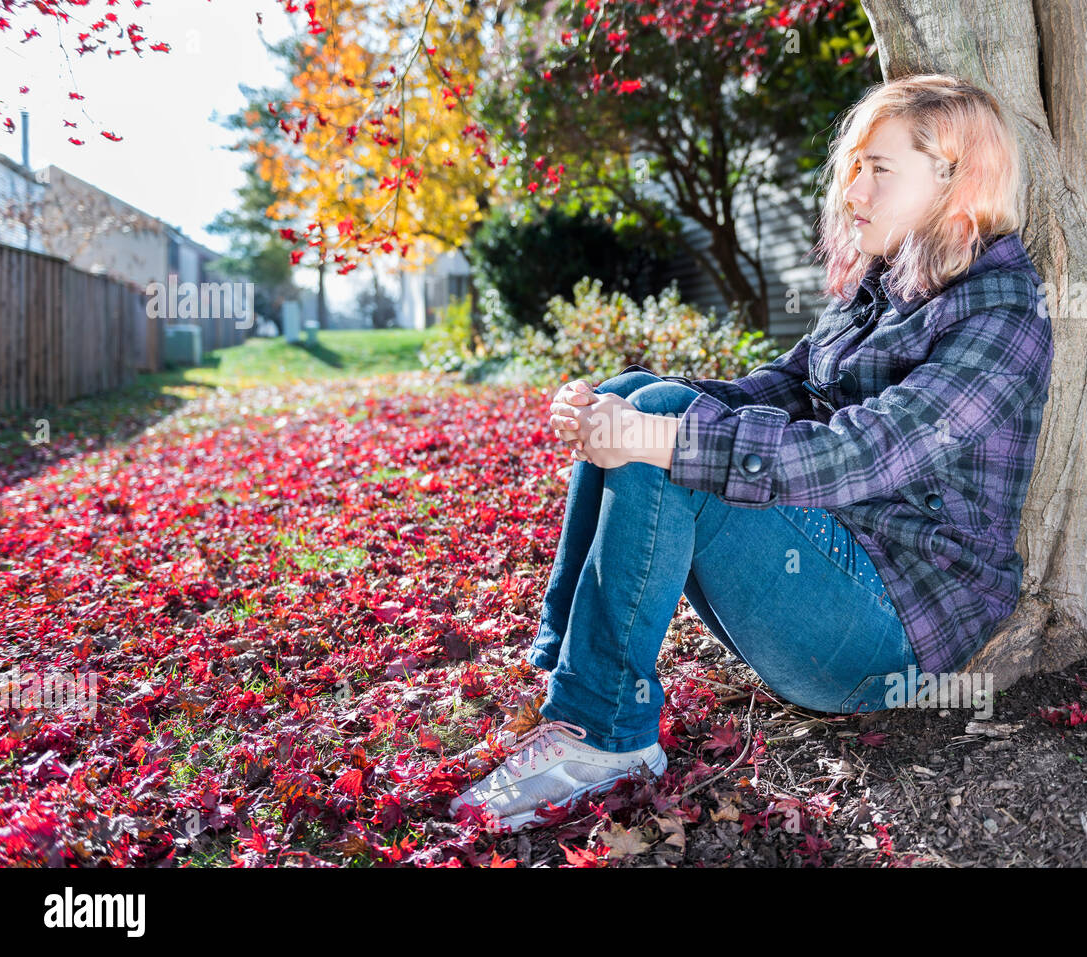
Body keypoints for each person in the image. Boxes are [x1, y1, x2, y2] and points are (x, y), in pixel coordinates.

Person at [448, 74, 1054, 832]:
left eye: (879, 168)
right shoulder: (881, 285)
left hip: (890, 632)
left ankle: (605, 737)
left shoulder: (1001, 314)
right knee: (639, 390)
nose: (852, 188)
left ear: (951, 177)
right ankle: (569, 683)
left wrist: (657, 429)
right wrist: (623, 404)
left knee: (665, 422)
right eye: (853, 166)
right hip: (829, 563)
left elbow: (861, 456)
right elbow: (781, 387)